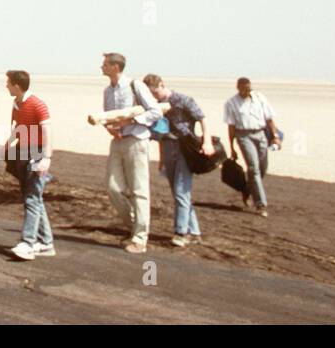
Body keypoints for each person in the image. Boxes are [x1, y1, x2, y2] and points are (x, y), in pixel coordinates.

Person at [100, 52, 161, 253]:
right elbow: (108, 116)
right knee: (112, 187)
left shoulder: (135, 86)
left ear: (116, 67)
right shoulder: (107, 91)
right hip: (117, 141)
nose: (102, 67)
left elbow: (155, 111)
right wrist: (108, 127)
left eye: (105, 64)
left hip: (136, 140)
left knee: (139, 190)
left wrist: (132, 120)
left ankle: (140, 238)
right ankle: (133, 225)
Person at [146, 73, 211, 245]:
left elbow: (202, 118)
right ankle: (195, 232)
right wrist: (161, 158)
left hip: (184, 147)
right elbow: (159, 131)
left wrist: (207, 141)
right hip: (167, 147)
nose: (154, 96)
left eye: (155, 93)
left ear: (161, 85)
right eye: (150, 94)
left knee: (182, 190)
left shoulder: (183, 99)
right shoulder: (155, 106)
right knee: (178, 193)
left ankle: (181, 233)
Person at [4, 70, 55, 261]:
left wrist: (46, 158)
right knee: (34, 198)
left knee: (32, 198)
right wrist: (8, 144)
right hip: (24, 153)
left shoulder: (37, 104)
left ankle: (28, 242)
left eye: (8, 83)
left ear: (17, 85)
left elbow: (47, 131)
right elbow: (16, 127)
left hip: (38, 153)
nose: (6, 86)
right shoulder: (16, 103)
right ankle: (47, 243)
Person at [224, 77, 279, 217]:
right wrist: (232, 147)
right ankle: (260, 204)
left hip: (260, 134)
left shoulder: (259, 98)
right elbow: (231, 127)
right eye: (244, 89)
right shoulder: (231, 103)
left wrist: (275, 137)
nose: (247, 91)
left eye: (249, 89)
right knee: (253, 168)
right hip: (243, 136)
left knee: (262, 168)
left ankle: (247, 190)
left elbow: (269, 119)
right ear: (238, 88)